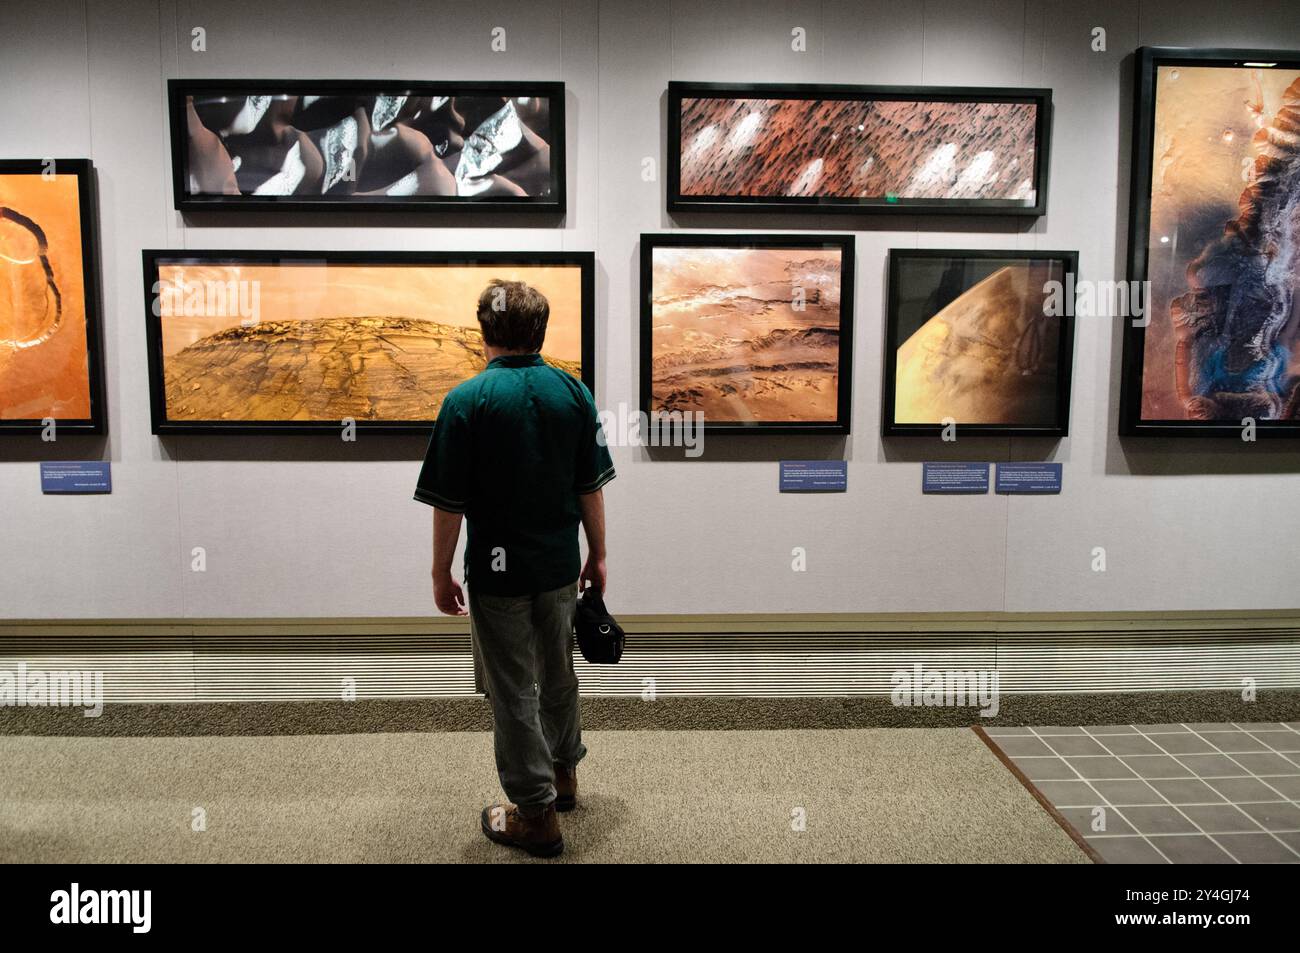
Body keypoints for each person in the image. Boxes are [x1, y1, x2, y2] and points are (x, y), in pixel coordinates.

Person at [414, 279, 614, 858]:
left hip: (498, 577)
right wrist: (598, 556)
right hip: (558, 570)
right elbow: (590, 488)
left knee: (511, 692)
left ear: (486, 332)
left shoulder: (466, 401)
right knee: (557, 675)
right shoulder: (573, 393)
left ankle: (536, 815)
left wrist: (439, 573)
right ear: (539, 331)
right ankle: (564, 776)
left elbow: (448, 502)